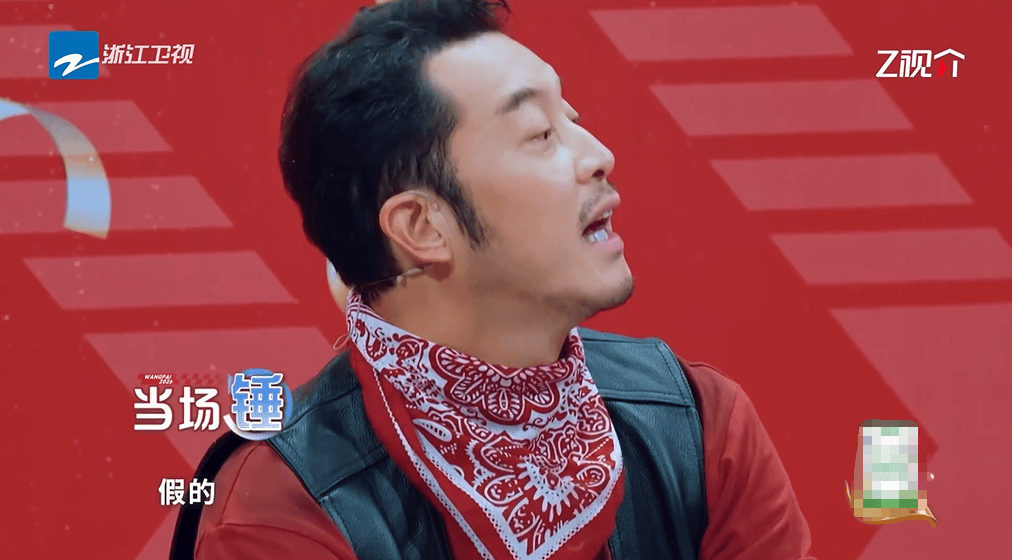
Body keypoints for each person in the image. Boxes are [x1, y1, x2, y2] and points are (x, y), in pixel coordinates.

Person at [173, 1, 815, 558]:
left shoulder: (699, 427)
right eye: (540, 134)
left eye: (573, 118)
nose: (599, 156)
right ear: (422, 226)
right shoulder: (281, 508)